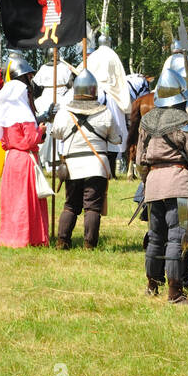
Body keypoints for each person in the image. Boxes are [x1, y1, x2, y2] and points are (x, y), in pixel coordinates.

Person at [135, 68, 188, 304]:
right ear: (181, 97)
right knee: (177, 238)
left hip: (153, 186)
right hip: (180, 187)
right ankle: (175, 293)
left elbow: (140, 161)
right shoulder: (186, 122)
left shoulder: (146, 121)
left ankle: (152, 286)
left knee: (155, 237)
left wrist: (146, 183)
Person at [51, 69, 121, 250]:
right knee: (92, 207)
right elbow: (116, 139)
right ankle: (89, 245)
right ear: (93, 91)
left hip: (72, 167)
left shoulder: (64, 112)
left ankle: (62, 241)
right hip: (96, 166)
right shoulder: (105, 112)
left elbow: (55, 133)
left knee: (71, 205)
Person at [0, 55, 50, 248]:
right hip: (25, 160)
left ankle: (10, 238)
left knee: (13, 203)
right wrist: (42, 129)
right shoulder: (23, 112)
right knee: (26, 203)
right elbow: (31, 139)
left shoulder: (7, 111)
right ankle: (28, 238)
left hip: (11, 161)